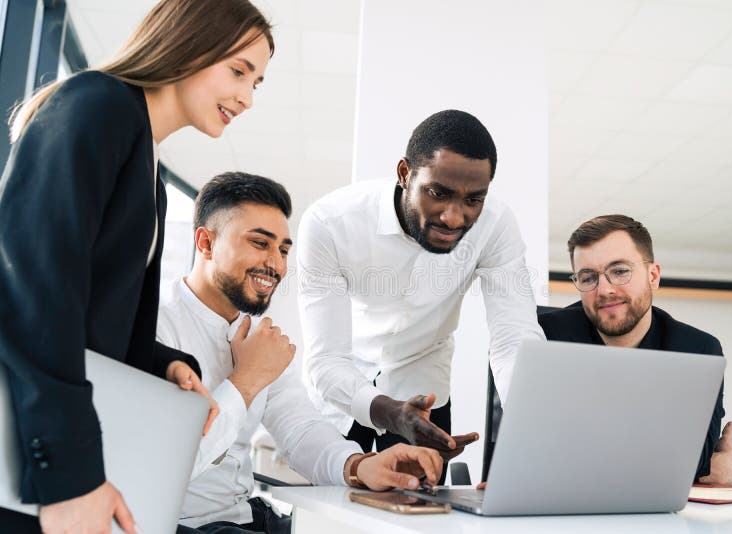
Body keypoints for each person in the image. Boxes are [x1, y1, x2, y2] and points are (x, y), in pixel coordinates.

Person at [0, 1, 275, 532]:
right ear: (188, 43)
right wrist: (70, 478)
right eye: (238, 71)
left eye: (256, 82)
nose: (246, 97)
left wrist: (163, 364)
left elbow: (91, 314)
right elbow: (31, 295)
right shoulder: (97, 105)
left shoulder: (151, 178)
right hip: (31, 457)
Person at [157, 172, 444, 533]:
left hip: (247, 518)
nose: (276, 265)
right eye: (260, 243)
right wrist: (246, 381)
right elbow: (168, 464)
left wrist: (359, 465)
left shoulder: (258, 337)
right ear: (206, 243)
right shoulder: (156, 328)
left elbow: (300, 429)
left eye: (283, 250)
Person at [296, 110, 545, 476]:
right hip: (344, 384)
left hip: (424, 390)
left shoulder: (496, 226)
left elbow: (514, 339)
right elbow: (325, 359)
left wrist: (530, 431)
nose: (454, 217)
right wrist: (390, 412)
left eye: (473, 200)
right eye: (438, 193)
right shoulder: (330, 223)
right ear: (404, 174)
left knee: (420, 514)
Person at [539, 214, 732, 483]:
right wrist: (717, 469)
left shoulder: (697, 350)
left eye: (620, 271)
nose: (604, 289)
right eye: (588, 277)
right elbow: (539, 454)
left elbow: (696, 461)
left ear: (653, 276)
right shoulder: (545, 338)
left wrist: (704, 467)